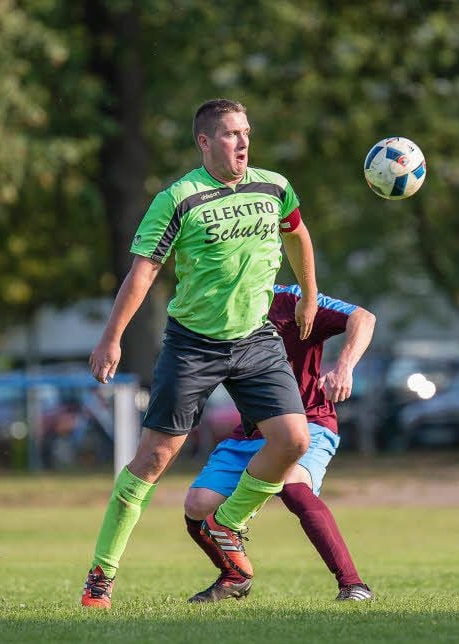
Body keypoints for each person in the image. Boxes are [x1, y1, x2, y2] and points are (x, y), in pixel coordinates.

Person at [81, 98, 319, 608]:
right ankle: (101, 575)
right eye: (231, 134)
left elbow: (297, 234)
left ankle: (225, 522)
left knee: (294, 440)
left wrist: (311, 295)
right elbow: (143, 271)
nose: (243, 142)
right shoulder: (177, 199)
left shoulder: (274, 186)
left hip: (255, 339)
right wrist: (111, 336)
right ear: (205, 142)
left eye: (247, 132)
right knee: (153, 458)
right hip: (193, 343)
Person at [184, 284, 376, 603]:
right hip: (251, 430)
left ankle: (353, 585)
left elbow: (363, 317)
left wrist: (344, 368)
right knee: (198, 505)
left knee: (291, 481)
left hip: (308, 421)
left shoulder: (292, 299)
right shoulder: (217, 305)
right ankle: (234, 575)